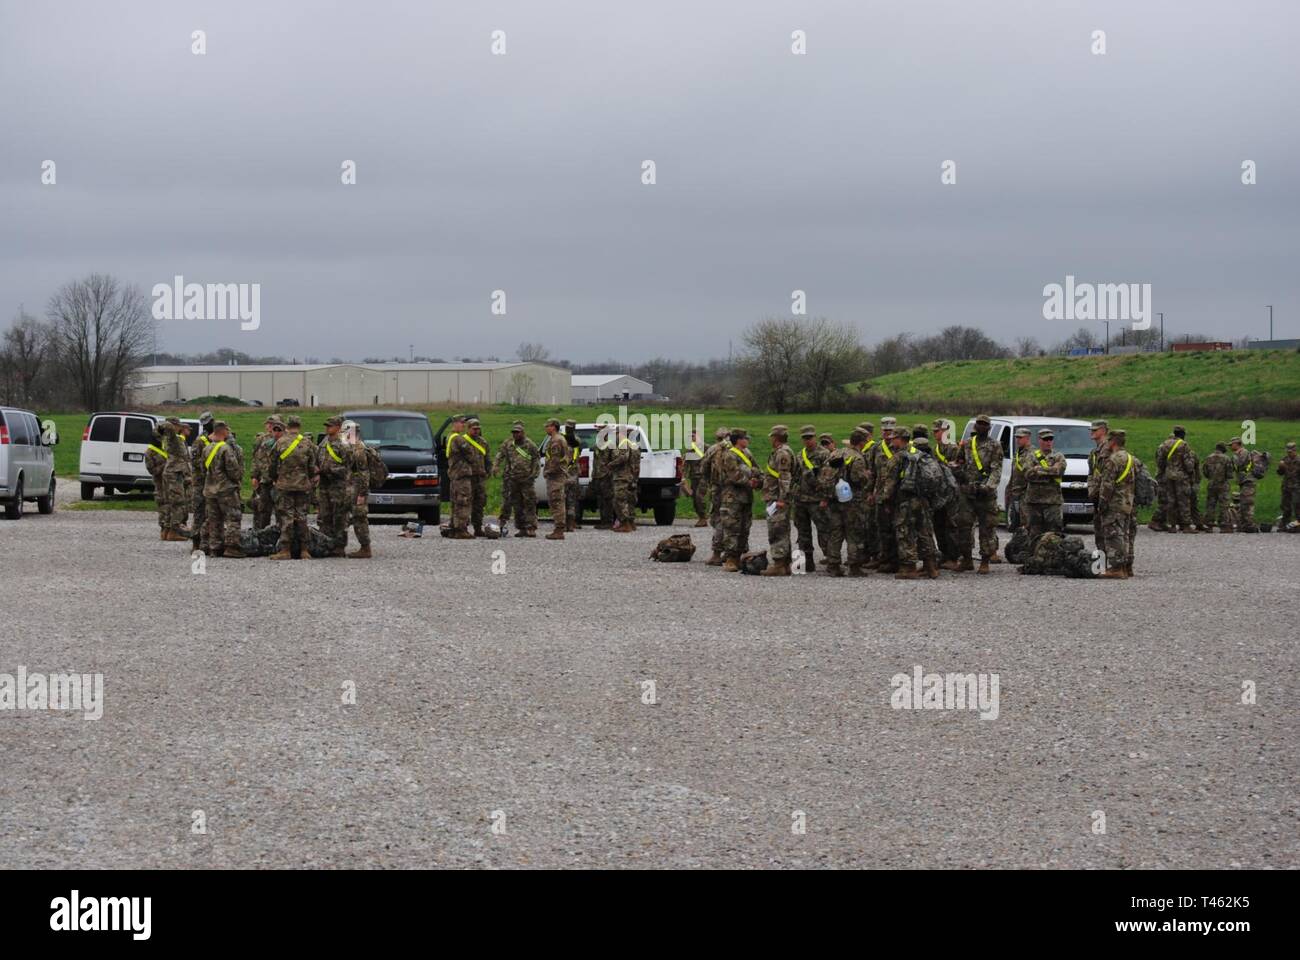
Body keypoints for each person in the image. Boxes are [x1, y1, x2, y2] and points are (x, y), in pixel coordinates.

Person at [956, 414, 1003, 573]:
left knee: (987, 528)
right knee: (963, 526)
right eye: (979, 424)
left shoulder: (995, 446)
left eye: (984, 424)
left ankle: (985, 561)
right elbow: (960, 462)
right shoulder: (968, 444)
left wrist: (988, 487)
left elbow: (996, 469)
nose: (981, 426)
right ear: (975, 426)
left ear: (989, 428)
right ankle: (967, 559)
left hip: (985, 495)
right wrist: (957, 472)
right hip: (968, 493)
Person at [267, 415, 318, 559]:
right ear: (299, 426)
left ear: (287, 426)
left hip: (285, 485)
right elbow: (312, 467)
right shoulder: (307, 443)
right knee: (302, 517)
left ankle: (285, 550)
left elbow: (272, 465)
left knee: (286, 518)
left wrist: (275, 478)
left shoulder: (280, 443)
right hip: (303, 486)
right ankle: (304, 550)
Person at [893, 430, 940, 579]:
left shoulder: (903, 456)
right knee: (925, 533)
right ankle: (931, 568)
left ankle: (909, 568)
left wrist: (883, 498)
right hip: (924, 500)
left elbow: (891, 480)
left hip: (907, 500)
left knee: (905, 533)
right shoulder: (926, 458)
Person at [933, 418, 974, 571]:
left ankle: (953, 556)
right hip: (941, 491)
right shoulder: (937, 448)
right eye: (934, 431)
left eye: (937, 431)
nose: (935, 434)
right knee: (939, 524)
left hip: (953, 491)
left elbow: (960, 470)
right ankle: (944, 554)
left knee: (951, 525)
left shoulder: (953, 448)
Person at [1096, 429, 1137, 578]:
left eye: (1108, 440)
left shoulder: (1113, 460)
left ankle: (1117, 568)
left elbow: (1107, 485)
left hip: (1114, 503)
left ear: (1112, 442)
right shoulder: (1130, 458)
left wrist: (1102, 503)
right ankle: (1126, 567)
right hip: (1127, 502)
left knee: (1113, 534)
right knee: (1125, 534)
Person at [202, 420, 245, 557]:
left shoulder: (206, 448)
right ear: (224, 431)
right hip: (226, 490)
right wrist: (238, 478)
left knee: (214, 519)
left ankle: (214, 547)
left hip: (210, 489)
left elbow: (203, 469)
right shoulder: (226, 449)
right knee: (233, 517)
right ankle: (231, 547)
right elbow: (233, 471)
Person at [717, 428, 758, 571]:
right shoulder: (730, 455)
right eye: (745, 438)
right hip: (732, 497)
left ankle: (739, 555)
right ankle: (730, 558)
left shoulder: (747, 453)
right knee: (731, 528)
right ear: (738, 440)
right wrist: (749, 481)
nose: (747, 440)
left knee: (745, 528)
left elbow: (756, 469)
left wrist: (759, 481)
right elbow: (733, 475)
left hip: (746, 497)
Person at [792, 425, 831, 572]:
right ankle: (806, 563)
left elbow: (829, 477)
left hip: (817, 499)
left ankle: (831, 560)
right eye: (805, 438)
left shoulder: (824, 454)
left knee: (824, 530)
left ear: (815, 437)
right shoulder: (799, 455)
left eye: (810, 438)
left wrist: (825, 497)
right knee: (802, 532)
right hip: (801, 499)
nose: (808, 441)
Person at [837, 428, 874, 576]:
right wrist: (866, 475)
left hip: (839, 496)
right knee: (854, 532)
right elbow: (856, 478)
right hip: (854, 499)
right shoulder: (857, 458)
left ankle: (834, 563)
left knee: (838, 531)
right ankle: (854, 566)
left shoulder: (841, 452)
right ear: (861, 442)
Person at [760, 424, 796, 576]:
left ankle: (779, 563)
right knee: (782, 529)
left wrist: (782, 498)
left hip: (777, 498)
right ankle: (785, 563)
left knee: (777, 530)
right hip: (775, 496)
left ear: (775, 438)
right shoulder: (783, 451)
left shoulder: (782, 453)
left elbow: (785, 477)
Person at [1022, 428, 1066, 549]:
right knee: (1034, 533)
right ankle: (1034, 560)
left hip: (1052, 502)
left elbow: (1058, 471)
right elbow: (1027, 474)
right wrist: (1048, 472)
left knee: (1054, 533)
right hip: (1034, 501)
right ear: (1039, 440)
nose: (1048, 442)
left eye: (1050, 439)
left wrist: (1038, 469)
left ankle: (1053, 559)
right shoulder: (1031, 456)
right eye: (1045, 439)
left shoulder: (1058, 456)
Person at [496, 420, 540, 537]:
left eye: (518, 432)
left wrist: (534, 474)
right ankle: (521, 528)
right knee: (517, 504)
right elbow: (500, 455)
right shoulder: (508, 444)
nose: (515, 434)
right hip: (512, 479)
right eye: (514, 432)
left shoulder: (530, 445)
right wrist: (496, 466)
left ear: (523, 432)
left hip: (526, 479)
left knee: (529, 503)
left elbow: (536, 459)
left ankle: (531, 527)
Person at [316, 416, 351, 556]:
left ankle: (339, 547)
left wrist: (327, 470)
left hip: (339, 486)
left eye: (330, 426)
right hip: (324, 486)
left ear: (339, 427)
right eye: (326, 425)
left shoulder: (345, 443)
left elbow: (349, 468)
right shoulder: (324, 441)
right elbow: (318, 458)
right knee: (324, 516)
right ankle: (325, 544)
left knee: (340, 517)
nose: (327, 428)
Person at [1153, 426, 1198, 533]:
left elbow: (1160, 462)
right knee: (1183, 501)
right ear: (1183, 434)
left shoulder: (1165, 444)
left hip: (1168, 475)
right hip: (1181, 477)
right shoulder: (1183, 445)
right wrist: (1191, 469)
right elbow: (1189, 464)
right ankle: (1186, 525)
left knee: (1171, 500)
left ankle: (1172, 525)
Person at [870, 417, 899, 573]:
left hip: (898, 494)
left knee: (899, 529)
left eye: (890, 430)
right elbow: (872, 472)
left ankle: (898, 560)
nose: (888, 433)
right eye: (885, 430)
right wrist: (870, 492)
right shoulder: (877, 448)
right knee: (883, 528)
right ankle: (885, 558)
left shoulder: (901, 448)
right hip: (881, 494)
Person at [342, 420, 373, 558]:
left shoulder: (359, 449)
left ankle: (365, 548)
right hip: (352, 487)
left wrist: (362, 493)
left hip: (358, 489)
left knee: (359, 517)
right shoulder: (352, 447)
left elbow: (364, 473)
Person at [703, 426, 731, 564]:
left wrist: (711, 482)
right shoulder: (737, 449)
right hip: (733, 489)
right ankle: (732, 552)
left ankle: (717, 553)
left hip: (717, 489)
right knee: (735, 520)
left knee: (718, 519)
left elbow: (704, 468)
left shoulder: (712, 449)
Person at [541, 419, 569, 540]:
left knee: (557, 502)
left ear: (553, 427)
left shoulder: (556, 440)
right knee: (556, 501)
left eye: (547, 426)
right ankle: (559, 528)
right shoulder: (557, 439)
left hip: (556, 476)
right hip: (556, 475)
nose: (546, 428)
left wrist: (547, 471)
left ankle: (559, 529)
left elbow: (555, 460)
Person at [250, 415, 279, 529]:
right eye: (268, 424)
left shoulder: (283, 439)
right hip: (264, 479)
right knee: (263, 509)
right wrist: (254, 476)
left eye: (270, 424)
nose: (268, 426)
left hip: (279, 480)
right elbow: (256, 459)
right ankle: (261, 532)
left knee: (280, 509)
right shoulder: (262, 439)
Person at [465, 418, 493, 537]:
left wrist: (488, 471)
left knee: (479, 503)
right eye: (474, 429)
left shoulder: (483, 442)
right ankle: (463, 527)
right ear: (468, 429)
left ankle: (477, 527)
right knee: (465, 503)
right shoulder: (463, 441)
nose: (476, 431)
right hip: (468, 477)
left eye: (478, 429)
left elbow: (487, 459)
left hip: (480, 478)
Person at [610, 427, 640, 532]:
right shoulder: (631, 445)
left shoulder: (623, 443)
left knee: (619, 500)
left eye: (616, 433)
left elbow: (623, 457)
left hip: (622, 477)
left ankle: (625, 524)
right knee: (628, 500)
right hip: (628, 476)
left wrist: (611, 464)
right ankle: (630, 523)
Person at [1004, 427, 1033, 535]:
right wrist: (1009, 490)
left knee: (1027, 523)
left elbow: (1029, 473)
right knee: (1017, 522)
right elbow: (1014, 473)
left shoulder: (1032, 453)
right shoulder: (1018, 453)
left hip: (1026, 493)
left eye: (1020, 438)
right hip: (1016, 493)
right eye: (1017, 437)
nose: (1018, 440)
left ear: (1028, 438)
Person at [1201, 441, 1235, 532]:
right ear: (1223, 449)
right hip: (1223, 484)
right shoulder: (1226, 458)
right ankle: (1224, 526)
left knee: (1210, 505)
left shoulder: (1208, 458)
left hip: (1211, 484)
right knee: (1224, 505)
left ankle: (1209, 525)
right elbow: (1230, 474)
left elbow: (1205, 472)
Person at [1086, 419, 1109, 549]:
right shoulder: (1094, 453)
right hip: (1097, 499)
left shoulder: (1109, 451)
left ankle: (1114, 567)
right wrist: (1091, 491)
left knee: (1110, 537)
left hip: (1107, 500)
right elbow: (1091, 474)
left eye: (1095, 429)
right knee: (1099, 537)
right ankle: (1101, 566)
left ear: (1104, 431)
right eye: (1092, 429)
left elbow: (1109, 478)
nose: (1092, 432)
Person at [145, 423, 170, 539]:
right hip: (160, 485)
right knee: (162, 507)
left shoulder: (166, 449)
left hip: (169, 484)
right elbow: (152, 470)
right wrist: (165, 466)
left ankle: (170, 529)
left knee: (170, 506)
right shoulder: (149, 452)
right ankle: (163, 529)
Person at [1229, 437, 1259, 532]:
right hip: (1243, 482)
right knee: (1243, 503)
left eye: (1231, 444)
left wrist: (1233, 457)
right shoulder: (1238, 453)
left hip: (1248, 481)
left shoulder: (1244, 452)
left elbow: (1240, 463)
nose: (1230, 446)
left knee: (1247, 503)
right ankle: (1244, 525)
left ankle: (1250, 526)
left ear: (1237, 444)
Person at [683, 429, 709, 527]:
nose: (691, 439)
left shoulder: (707, 448)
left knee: (699, 496)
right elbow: (685, 466)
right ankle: (701, 517)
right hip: (694, 478)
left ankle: (703, 517)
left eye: (693, 436)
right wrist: (683, 480)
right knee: (694, 498)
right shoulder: (689, 451)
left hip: (704, 477)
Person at [1278, 441, 1300, 528]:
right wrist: (1281, 467)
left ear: (1295, 451)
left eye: (1290, 452)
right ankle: (1285, 523)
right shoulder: (1285, 459)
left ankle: (1298, 522)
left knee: (1297, 505)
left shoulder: (1298, 460)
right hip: (1286, 486)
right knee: (1285, 505)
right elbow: (1280, 473)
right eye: (1287, 452)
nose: (1289, 453)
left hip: (1297, 487)